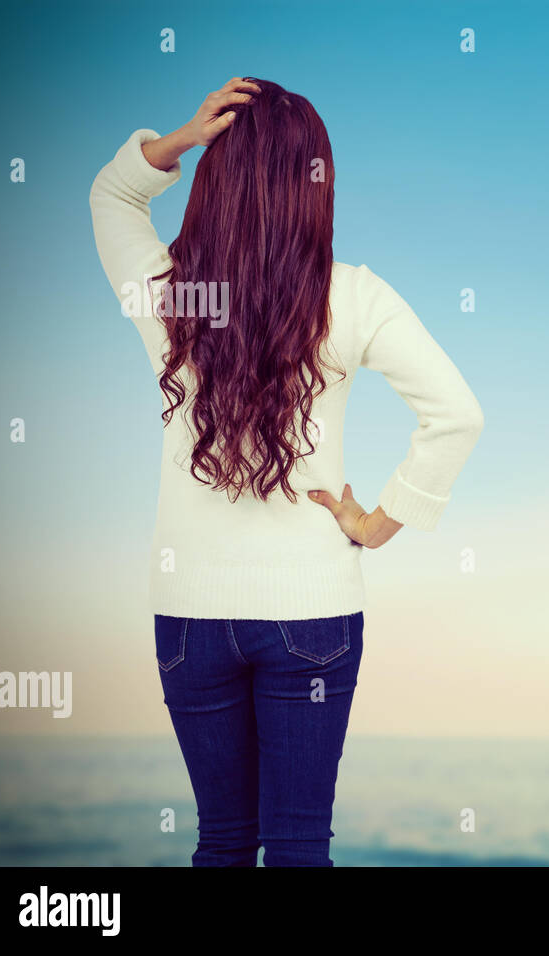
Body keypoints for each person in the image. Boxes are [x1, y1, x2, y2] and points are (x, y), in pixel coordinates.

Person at [89, 77, 483, 866]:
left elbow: (111, 197)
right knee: (300, 846)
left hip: (189, 617)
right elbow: (457, 414)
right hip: (313, 616)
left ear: (217, 175)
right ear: (315, 183)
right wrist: (377, 522)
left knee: (223, 842)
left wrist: (182, 139)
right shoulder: (352, 297)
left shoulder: (171, 296)